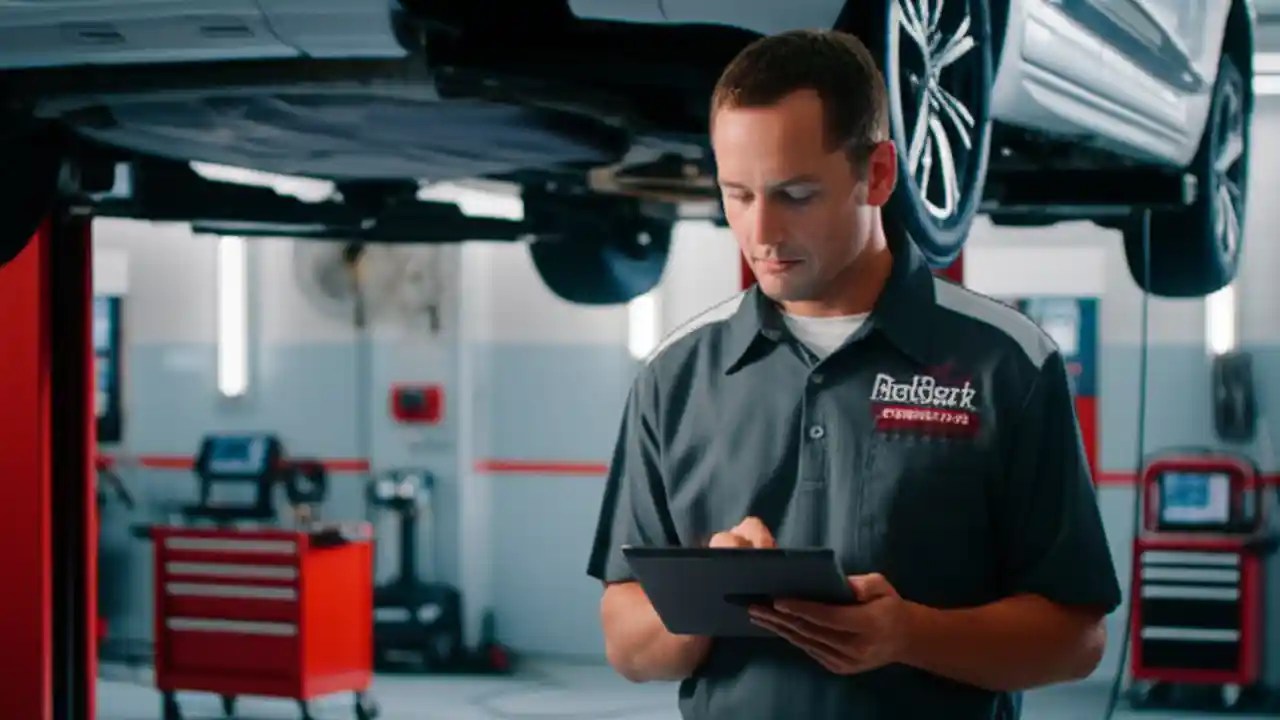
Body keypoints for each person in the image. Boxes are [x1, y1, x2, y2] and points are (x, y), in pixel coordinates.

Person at [585, 28, 1122, 720]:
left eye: (796, 194)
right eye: (738, 194)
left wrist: (910, 635)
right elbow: (625, 643)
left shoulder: (1008, 364)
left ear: (878, 174)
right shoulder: (676, 375)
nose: (762, 233)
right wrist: (707, 600)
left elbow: (1075, 638)